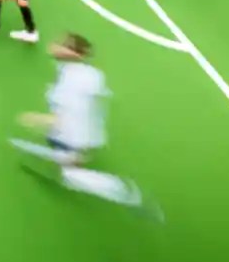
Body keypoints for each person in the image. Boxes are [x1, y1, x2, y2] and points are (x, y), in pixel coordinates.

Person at [9, 34, 159, 219]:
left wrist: (34, 119)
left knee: (70, 174)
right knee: (70, 156)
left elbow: (60, 118)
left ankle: (123, 190)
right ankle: (69, 158)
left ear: (76, 54)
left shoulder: (71, 80)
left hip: (70, 135)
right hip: (86, 132)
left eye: (63, 46)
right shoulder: (89, 73)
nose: (56, 47)